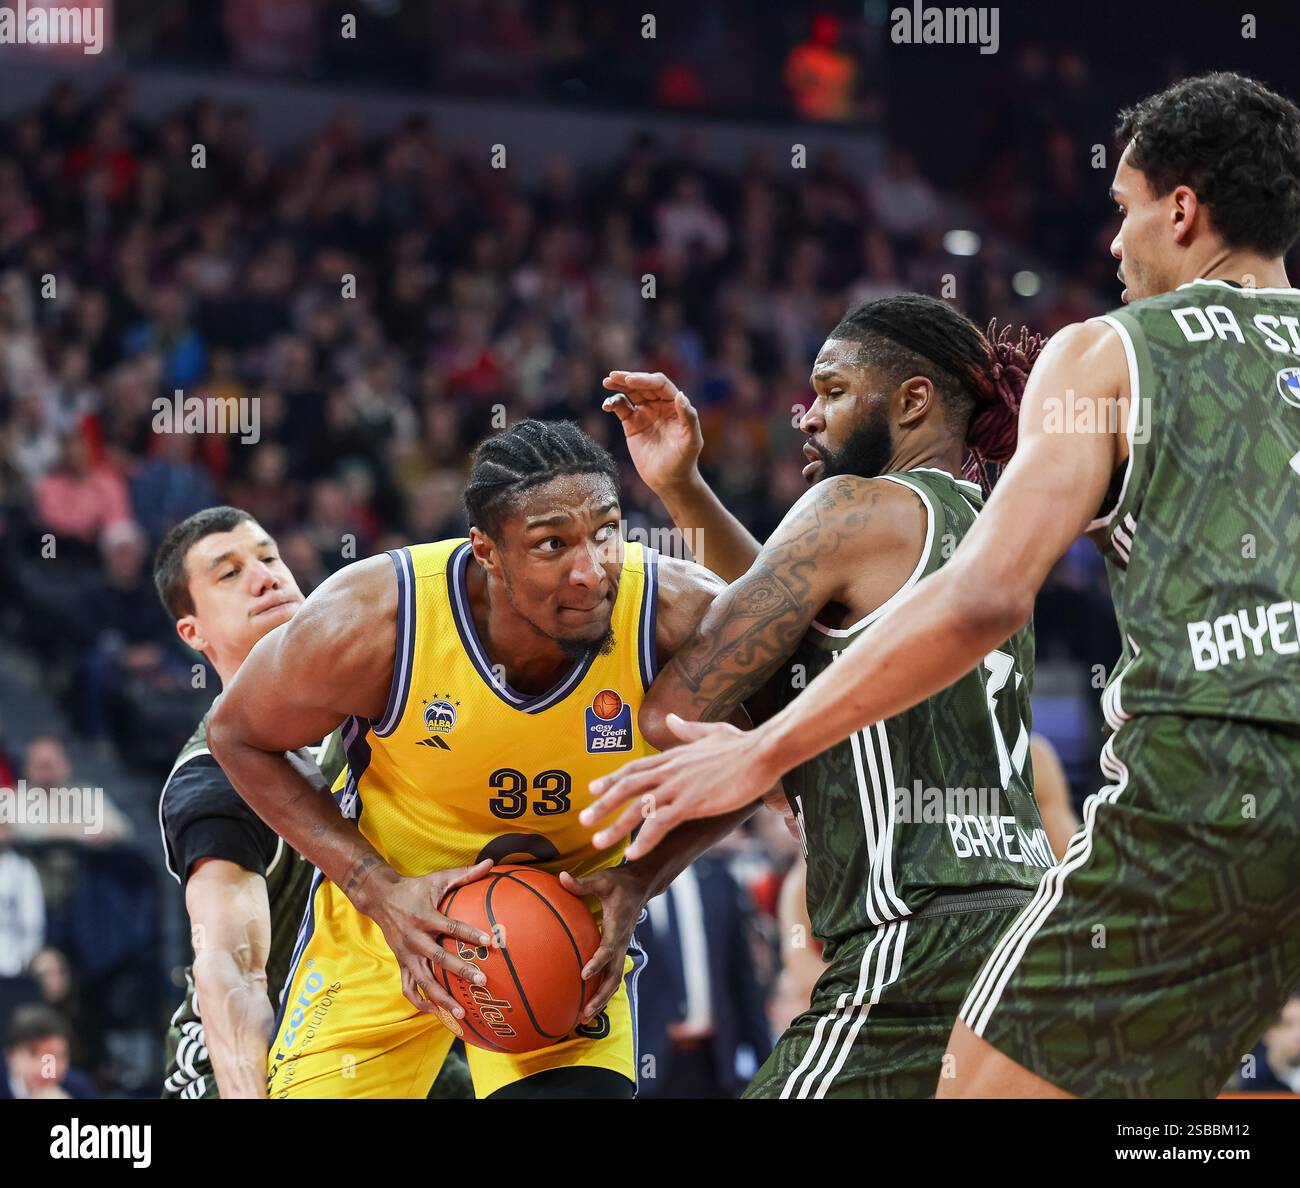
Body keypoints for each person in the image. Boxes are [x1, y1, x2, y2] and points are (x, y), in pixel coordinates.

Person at [586, 73, 1300, 1099]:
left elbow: (971, 600)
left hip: (1182, 802)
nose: (1110, 244)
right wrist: (694, 497)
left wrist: (757, 756)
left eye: (1123, 207)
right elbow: (841, 616)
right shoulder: (933, 513)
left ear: (1179, 210)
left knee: (978, 1087)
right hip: (1026, 885)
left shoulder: (1106, 354)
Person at [585, 293, 1054, 1097]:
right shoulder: (993, 531)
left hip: (915, 941)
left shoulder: (850, 509)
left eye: (833, 391)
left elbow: (677, 708)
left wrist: (760, 756)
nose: (807, 416)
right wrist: (686, 489)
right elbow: (803, 623)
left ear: (912, 401)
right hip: (1028, 931)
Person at [208, 420, 735, 1099]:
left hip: (563, 938)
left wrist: (642, 877)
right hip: (386, 926)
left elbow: (763, 754)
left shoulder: (673, 612)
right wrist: (377, 889)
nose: (591, 569)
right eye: (552, 544)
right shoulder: (375, 620)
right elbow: (237, 735)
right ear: (485, 550)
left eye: (606, 531)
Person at [154, 505, 345, 1099]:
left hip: (366, 1036)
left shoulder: (381, 709)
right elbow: (230, 968)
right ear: (193, 632)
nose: (264, 576)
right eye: (228, 574)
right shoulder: (212, 778)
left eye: (267, 557)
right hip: (244, 1065)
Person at [636, 853, 772, 1098]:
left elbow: (742, 979)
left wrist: (767, 1066)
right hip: (644, 1062)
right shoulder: (625, 878)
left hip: (713, 1062)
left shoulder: (719, 878)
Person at [0, 1003, 95, 1099]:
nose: (46, 1069)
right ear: (11, 1056)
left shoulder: (79, 1087)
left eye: (56, 1056)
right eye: (34, 1055)